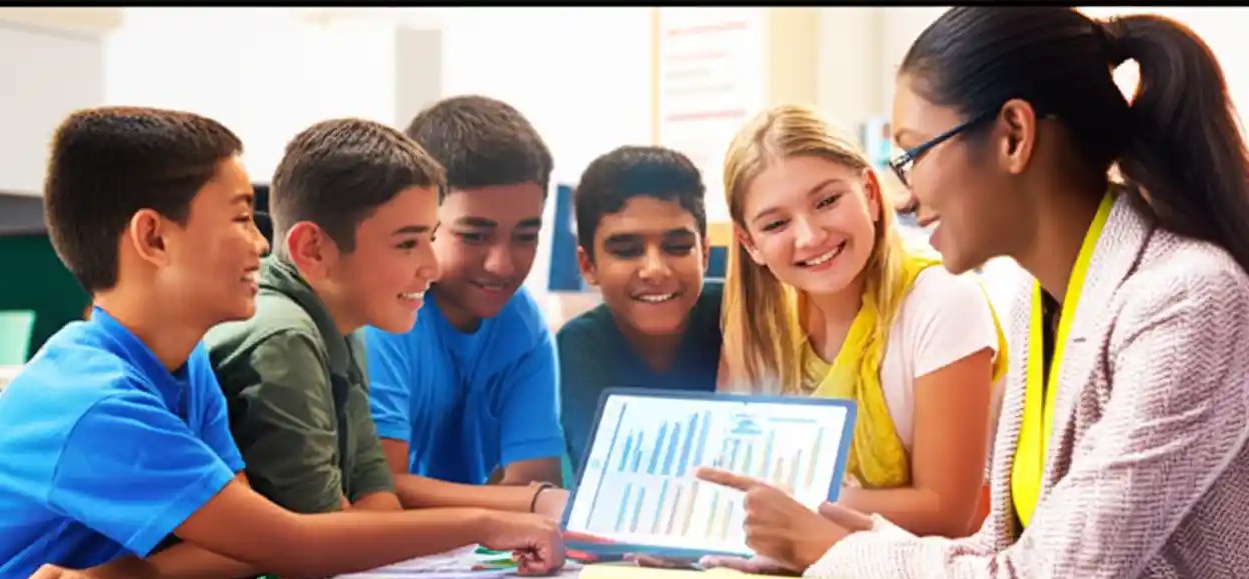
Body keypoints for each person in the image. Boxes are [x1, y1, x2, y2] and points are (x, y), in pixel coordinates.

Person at [697, 6, 1249, 579]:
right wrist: (851, 536)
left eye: (913, 153)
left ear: (1013, 136)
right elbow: (1006, 553)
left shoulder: (1186, 298)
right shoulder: (1032, 298)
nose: (905, 192)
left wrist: (828, 550)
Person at [0, 107, 563, 579]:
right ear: (153, 237)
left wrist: (128, 577)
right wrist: (487, 522)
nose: (260, 245)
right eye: (239, 219)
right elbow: (293, 542)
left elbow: (249, 540)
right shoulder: (94, 399)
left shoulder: (184, 366)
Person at [720, 104, 1007, 539]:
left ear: (871, 193)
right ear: (750, 243)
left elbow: (948, 512)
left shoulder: (943, 299)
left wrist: (789, 504)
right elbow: (729, 485)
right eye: (776, 223)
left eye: (828, 201)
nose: (810, 236)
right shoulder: (758, 326)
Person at [365, 96, 567, 517]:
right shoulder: (382, 318)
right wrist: (529, 501)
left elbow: (535, 478)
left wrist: (530, 499)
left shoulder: (523, 324)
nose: (502, 264)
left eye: (526, 236)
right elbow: (380, 491)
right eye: (474, 236)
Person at [557, 145, 722, 470]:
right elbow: (609, 475)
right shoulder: (578, 349)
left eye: (677, 247)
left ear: (704, 254)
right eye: (627, 250)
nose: (655, 269)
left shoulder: (743, 318)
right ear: (588, 264)